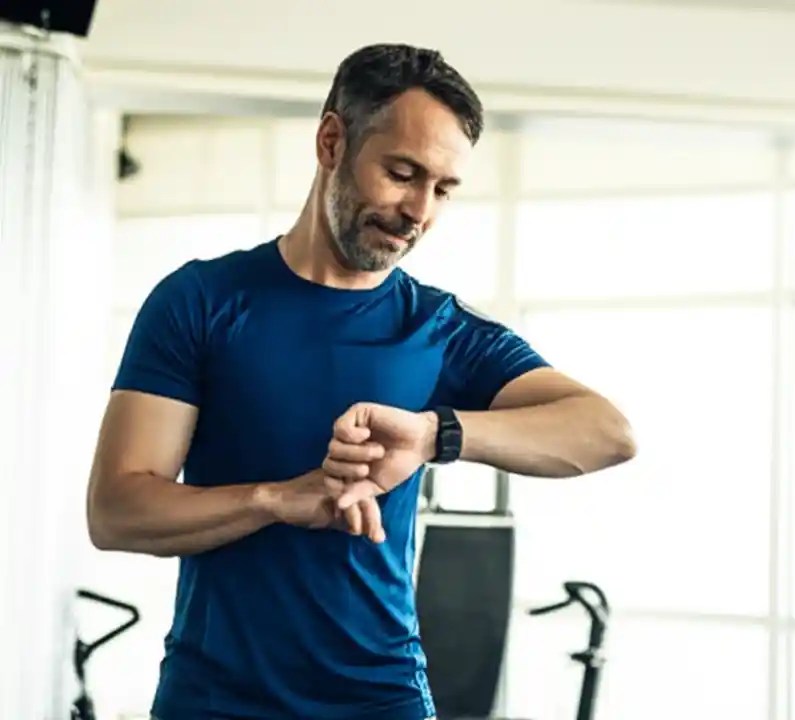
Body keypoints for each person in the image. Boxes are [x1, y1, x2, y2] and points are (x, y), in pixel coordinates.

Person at [85, 43, 636, 720]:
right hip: (212, 700)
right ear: (330, 142)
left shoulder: (438, 328)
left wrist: (438, 434)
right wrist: (274, 500)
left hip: (381, 698)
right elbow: (115, 511)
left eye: (443, 189)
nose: (420, 210)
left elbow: (607, 433)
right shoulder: (199, 301)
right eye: (402, 173)